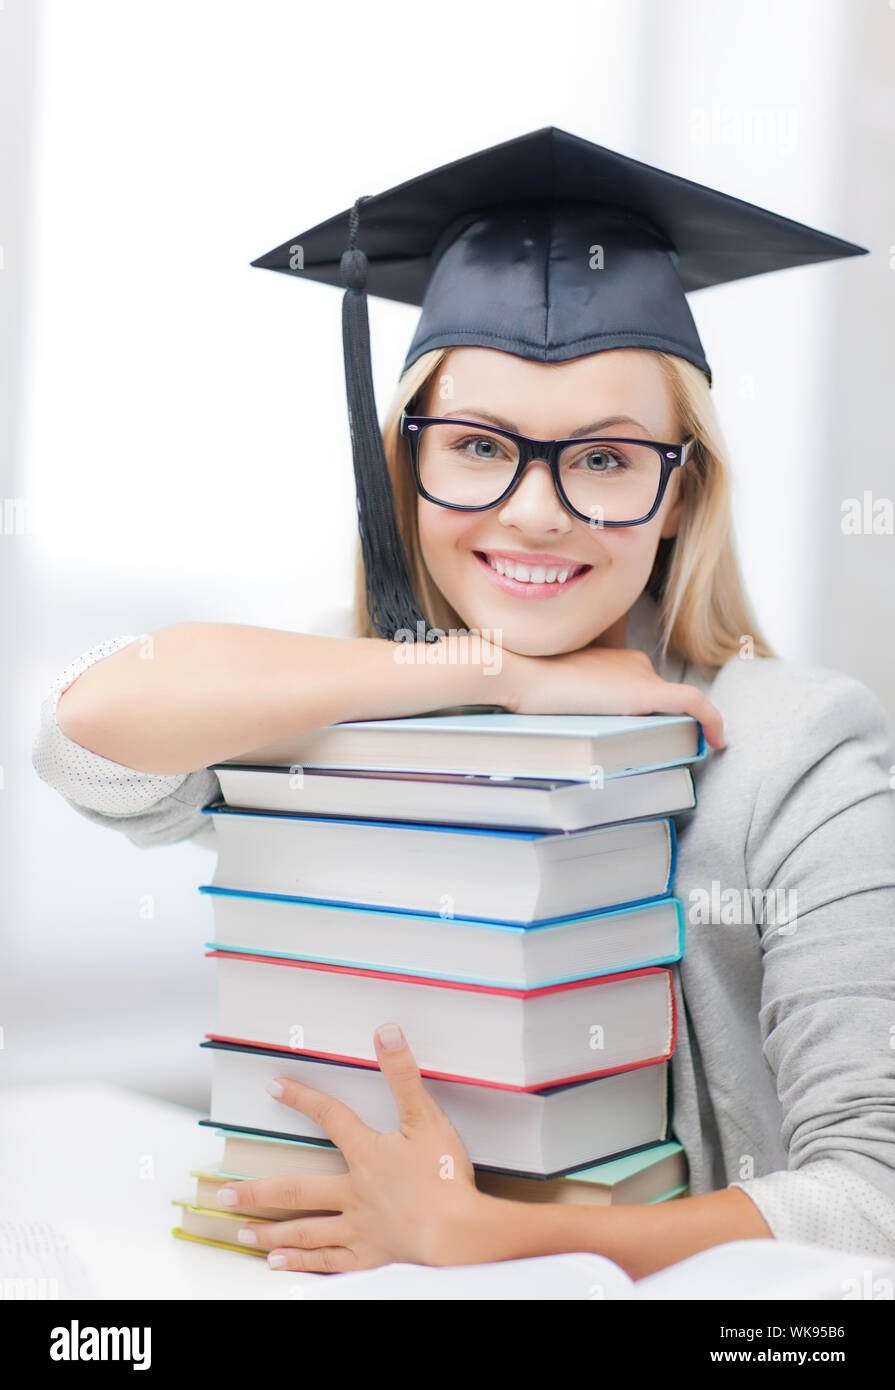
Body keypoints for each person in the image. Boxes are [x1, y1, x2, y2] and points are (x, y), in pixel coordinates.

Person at [32, 129, 895, 1278]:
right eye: (480, 445)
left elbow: (874, 1196)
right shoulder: (350, 700)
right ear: (406, 469)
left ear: (681, 493)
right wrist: (495, 673)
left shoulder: (799, 753)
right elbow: (85, 730)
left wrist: (519, 1236)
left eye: (602, 459)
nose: (534, 512)